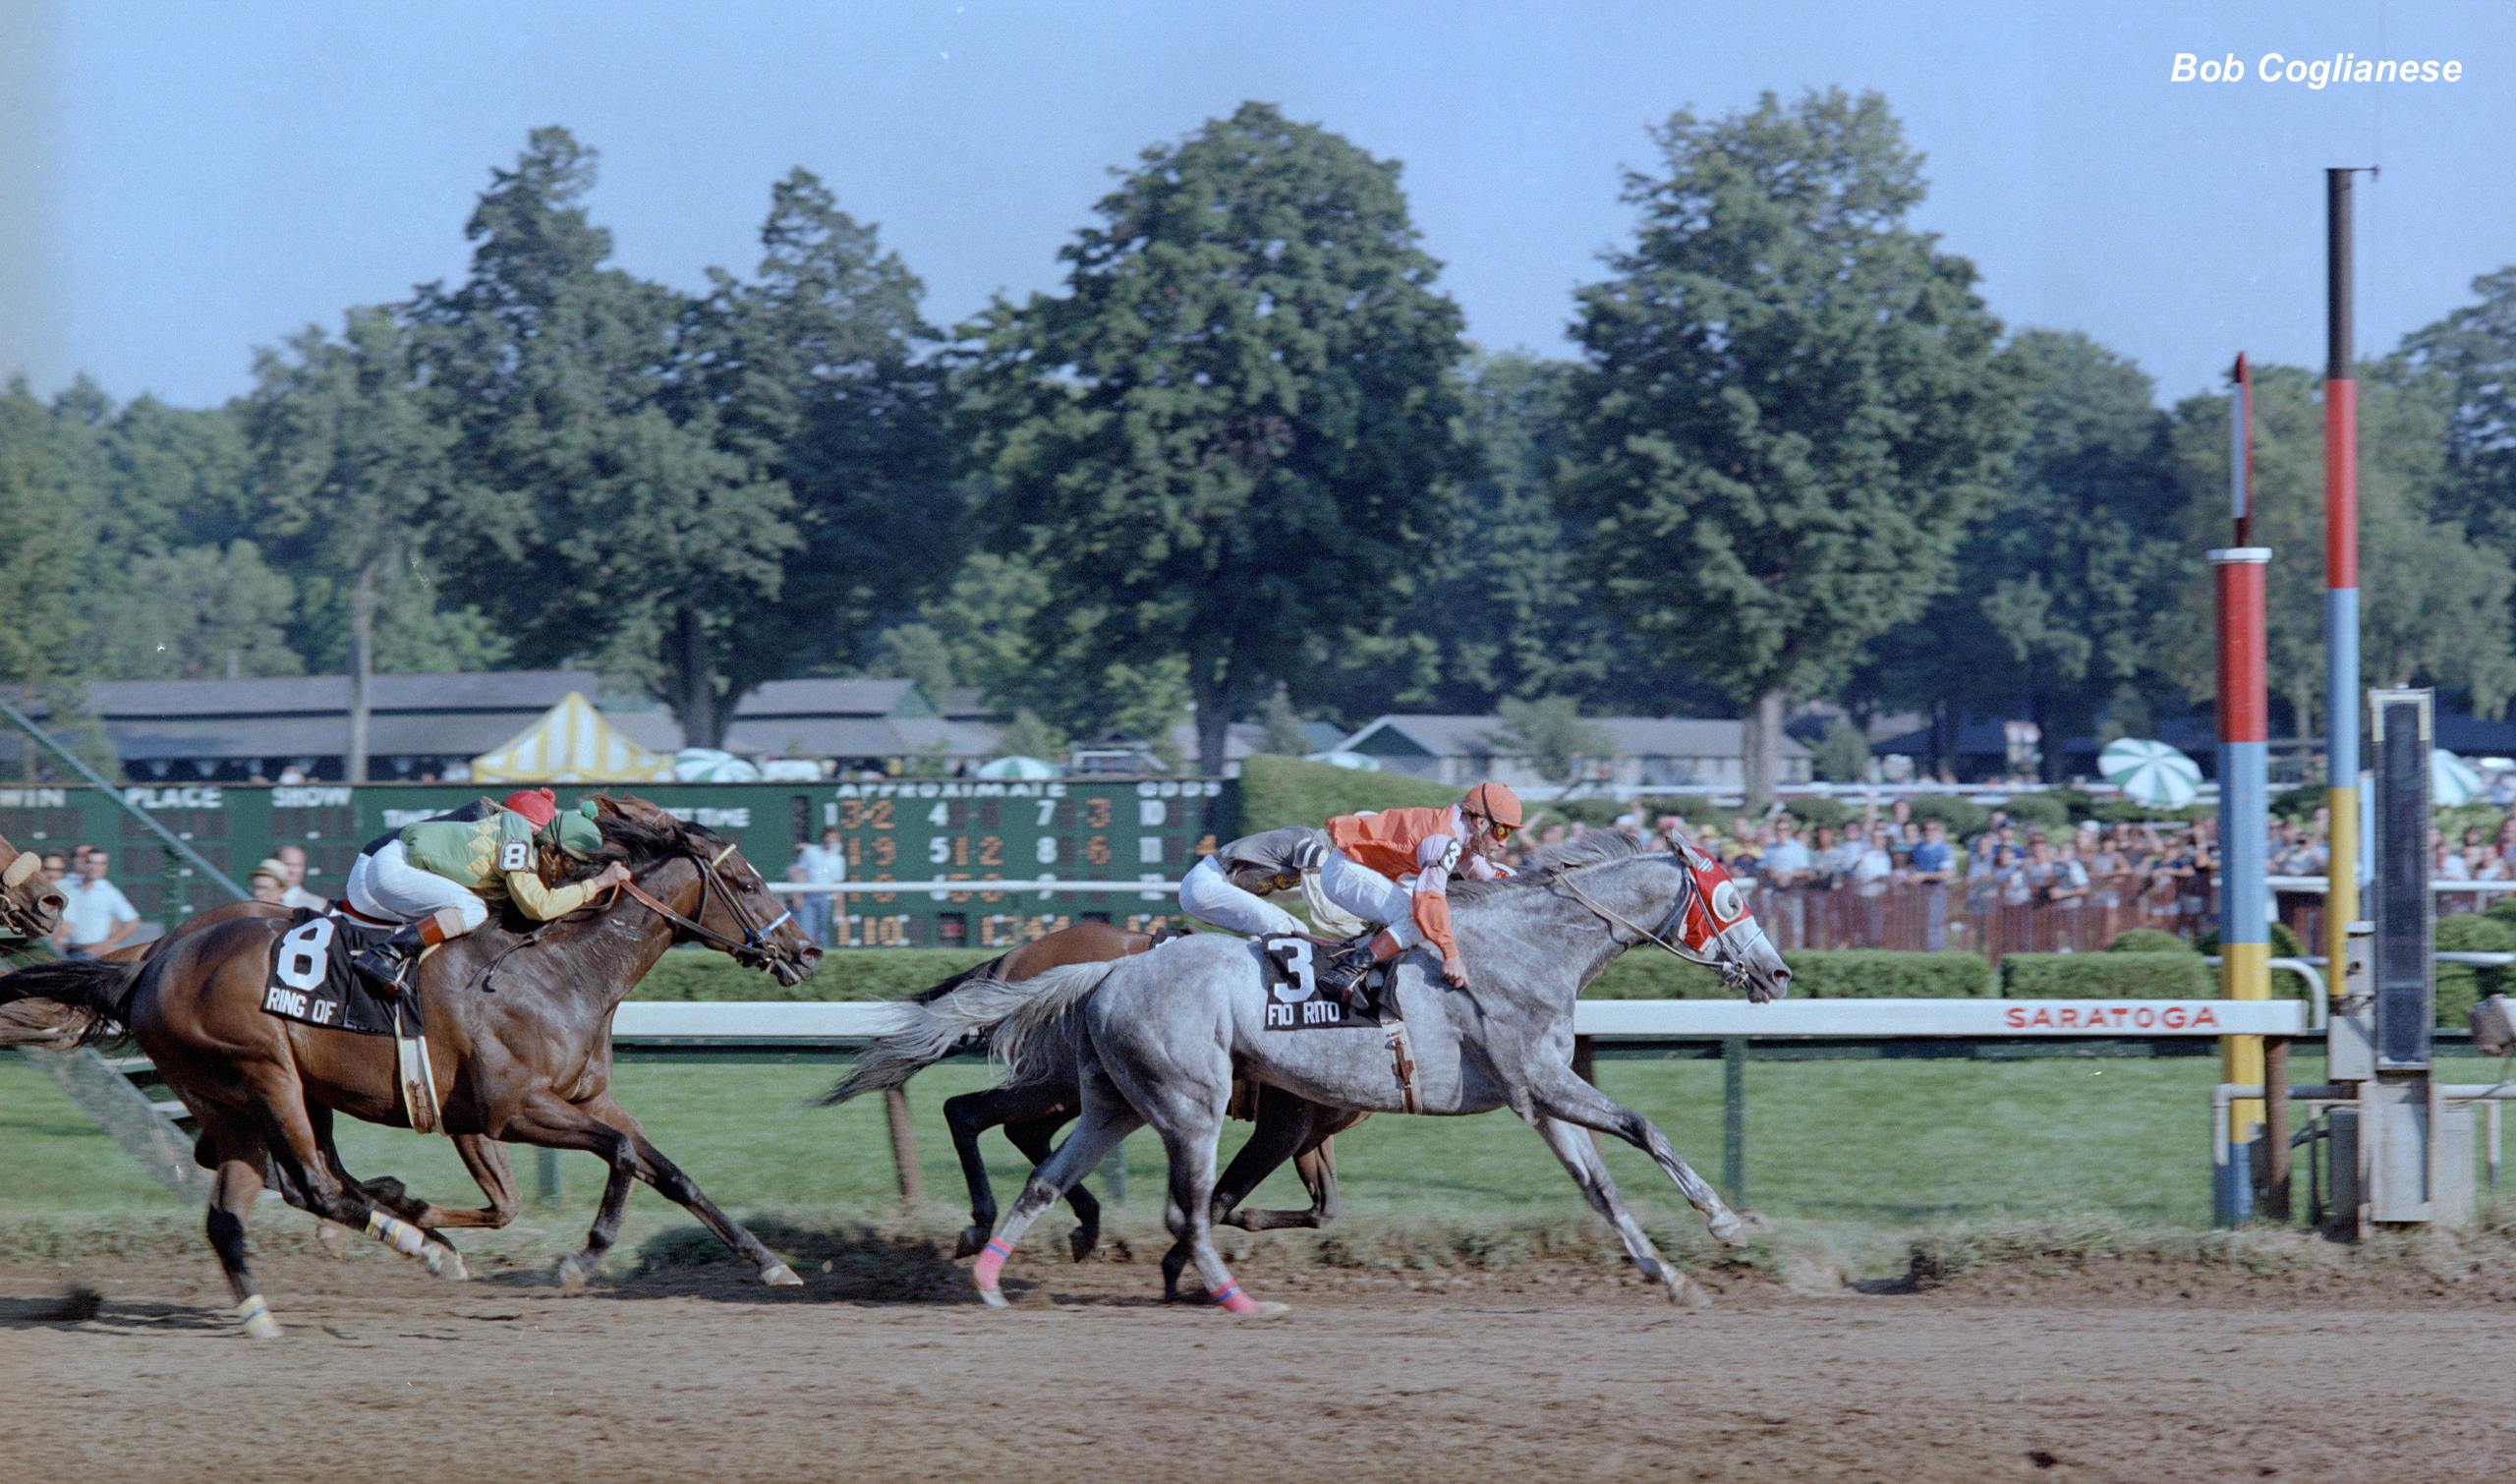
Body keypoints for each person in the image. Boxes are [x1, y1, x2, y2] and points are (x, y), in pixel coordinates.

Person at [347, 796, 627, 996]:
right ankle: (386, 954)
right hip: (393, 870)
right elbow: (539, 907)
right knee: (473, 910)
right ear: (551, 850)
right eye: (571, 865)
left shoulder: (524, 848)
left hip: (398, 869)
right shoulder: (518, 842)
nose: (568, 874)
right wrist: (598, 883)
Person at [1310, 781, 1523, 1001]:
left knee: (1419, 919)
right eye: (1501, 831)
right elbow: (1429, 899)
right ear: (1480, 821)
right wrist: (1451, 955)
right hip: (1346, 871)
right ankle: (1345, 972)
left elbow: (1482, 875)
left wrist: (1527, 884)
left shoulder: (1461, 833)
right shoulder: (1444, 839)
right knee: (1415, 920)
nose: (1504, 844)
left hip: (1361, 869)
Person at [1177, 825, 1326, 940]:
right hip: (1210, 881)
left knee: (1278, 933)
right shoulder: (1314, 844)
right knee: (1292, 930)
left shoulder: (1320, 848)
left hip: (1206, 885)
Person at [55, 848, 140, 958]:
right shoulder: (66, 885)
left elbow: (133, 922)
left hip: (91, 955)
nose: (95, 867)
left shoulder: (109, 891)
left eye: (101, 863)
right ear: (83, 863)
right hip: (61, 951)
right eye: (91, 862)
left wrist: (108, 943)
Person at [787, 827, 849, 947]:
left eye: (834, 838)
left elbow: (838, 885)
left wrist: (839, 908)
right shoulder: (810, 852)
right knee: (806, 930)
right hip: (808, 897)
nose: (831, 840)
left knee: (823, 932)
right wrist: (798, 896)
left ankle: (824, 954)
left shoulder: (838, 860)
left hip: (826, 898)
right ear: (824, 837)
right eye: (829, 836)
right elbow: (801, 873)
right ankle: (806, 954)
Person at [273, 844, 328, 911]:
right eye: (287, 864)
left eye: (298, 865)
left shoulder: (318, 905)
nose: (293, 871)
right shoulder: (263, 899)